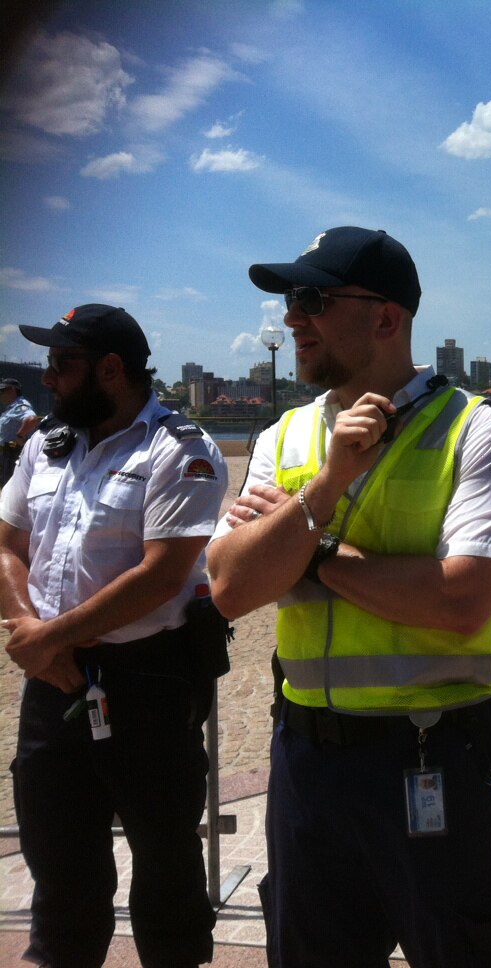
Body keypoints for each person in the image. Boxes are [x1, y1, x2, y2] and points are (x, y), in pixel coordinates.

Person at [206, 226, 491, 967]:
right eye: (292, 301)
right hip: (308, 761)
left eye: (312, 299)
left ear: (386, 319)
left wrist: (306, 556)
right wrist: (325, 488)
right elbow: (229, 588)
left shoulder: (477, 433)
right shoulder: (284, 438)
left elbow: (463, 601)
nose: (292, 317)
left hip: (440, 756)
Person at [0, 304, 229, 968]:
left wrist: (50, 637)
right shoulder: (45, 445)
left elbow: (162, 575)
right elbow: (8, 547)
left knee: (166, 868)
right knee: (58, 863)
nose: (48, 378)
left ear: (110, 369)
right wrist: (34, 633)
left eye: (61, 365)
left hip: (149, 684)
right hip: (53, 685)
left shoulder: (179, 448)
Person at [0, 375, 39, 487]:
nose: (0, 394)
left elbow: (32, 419)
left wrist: (20, 436)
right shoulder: (11, 408)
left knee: (10, 486)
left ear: (12, 390)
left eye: (2, 391)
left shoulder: (20, 406)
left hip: (13, 453)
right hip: (6, 453)